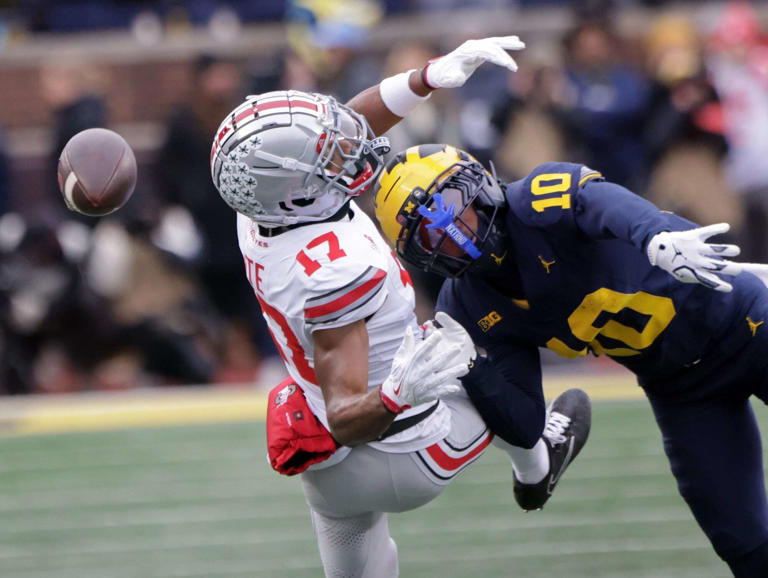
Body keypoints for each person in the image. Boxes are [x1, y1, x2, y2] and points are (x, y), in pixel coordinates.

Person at [209, 36, 591, 577]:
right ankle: (538, 463)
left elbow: (350, 124)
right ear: (295, 190)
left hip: (328, 472)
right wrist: (395, 394)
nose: (346, 147)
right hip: (407, 451)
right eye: (326, 154)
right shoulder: (340, 270)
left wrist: (427, 77)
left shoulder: (258, 209)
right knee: (489, 320)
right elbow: (347, 416)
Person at [374, 138, 768, 575]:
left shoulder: (537, 199)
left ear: (477, 185)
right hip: (681, 388)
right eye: (432, 234)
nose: (455, 234)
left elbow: (598, 201)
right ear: (419, 255)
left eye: (451, 208)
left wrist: (655, 234)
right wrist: (472, 370)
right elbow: (525, 424)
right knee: (743, 541)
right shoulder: (465, 306)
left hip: (747, 323)